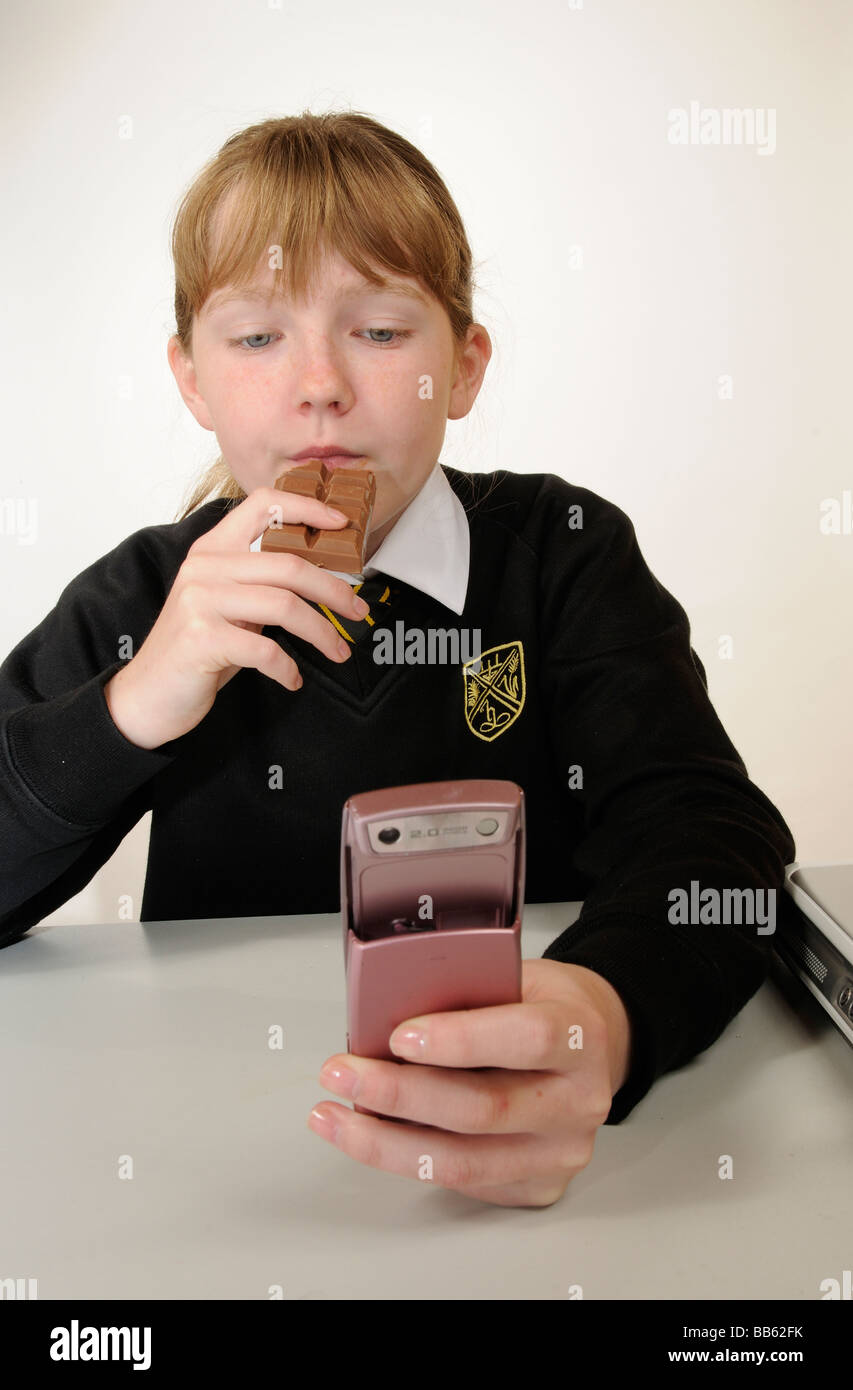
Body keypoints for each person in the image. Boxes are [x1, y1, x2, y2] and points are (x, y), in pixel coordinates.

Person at [0, 111, 798, 1207]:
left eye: (378, 331)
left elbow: (714, 841)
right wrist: (131, 704)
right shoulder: (147, 595)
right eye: (255, 338)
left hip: (539, 1152)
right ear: (190, 380)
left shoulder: (561, 556)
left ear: (462, 366)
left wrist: (602, 1015)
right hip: (218, 1163)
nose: (320, 382)